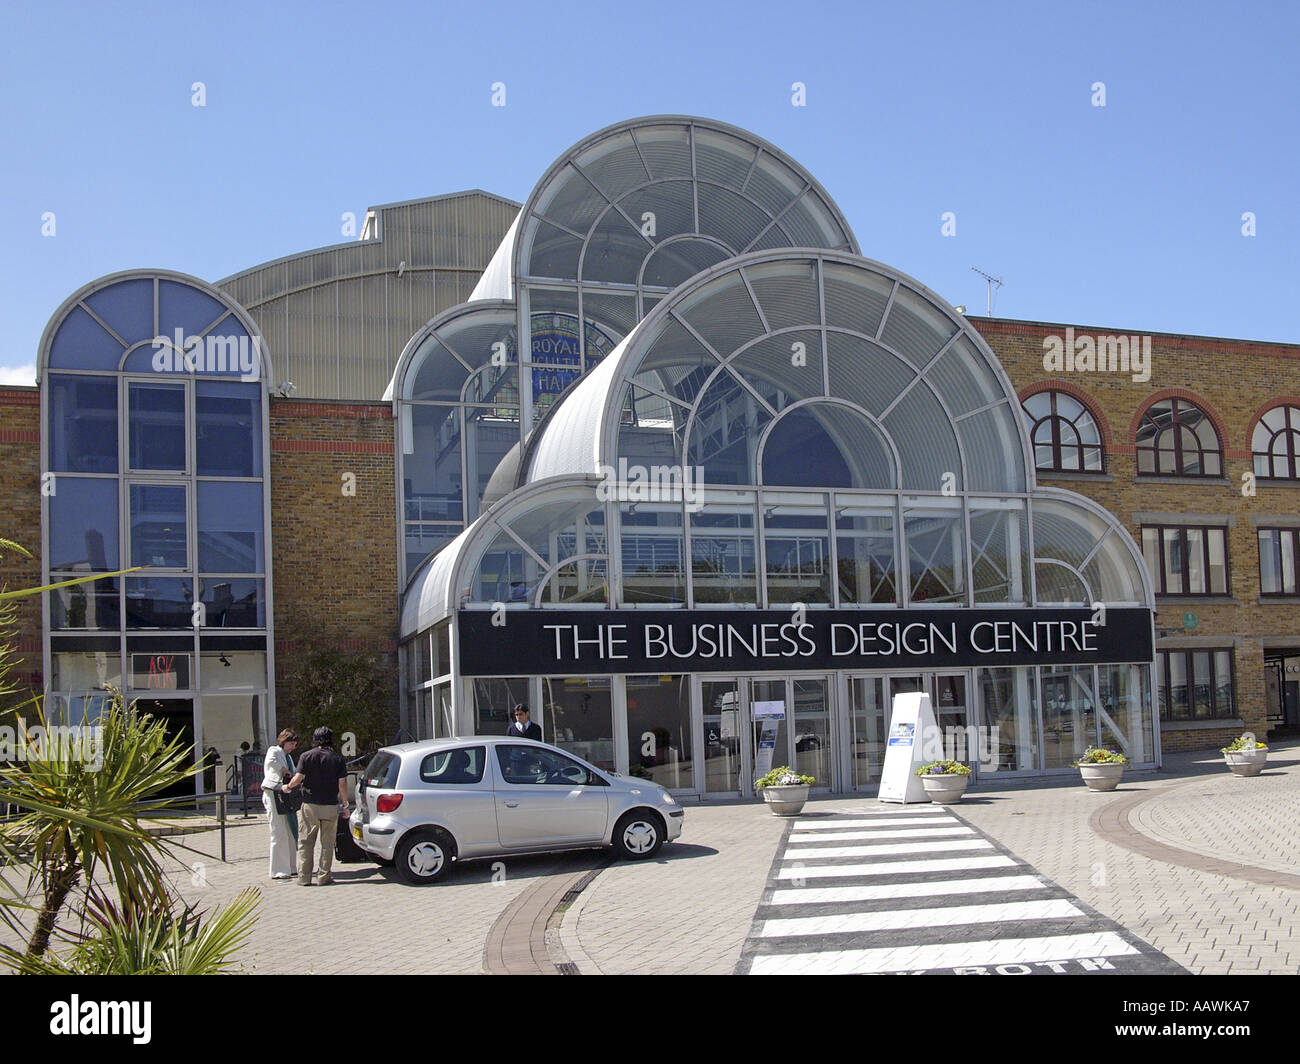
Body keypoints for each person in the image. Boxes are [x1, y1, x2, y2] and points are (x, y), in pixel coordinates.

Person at [284, 726, 349, 886]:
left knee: (306, 841)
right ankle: (324, 876)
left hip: (310, 805)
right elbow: (342, 784)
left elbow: (298, 778)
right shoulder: (337, 758)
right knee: (327, 843)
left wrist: (288, 787)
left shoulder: (306, 756)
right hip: (330, 805)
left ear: (315, 739)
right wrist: (345, 805)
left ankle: (304, 877)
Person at [261, 730, 299, 880]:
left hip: (285, 795)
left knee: (290, 831)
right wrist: (286, 771)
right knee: (278, 832)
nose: (293, 747)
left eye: (295, 745)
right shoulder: (274, 750)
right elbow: (272, 763)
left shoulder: (288, 757)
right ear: (283, 741)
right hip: (273, 794)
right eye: (291, 743)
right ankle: (278, 870)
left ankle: (291, 867)